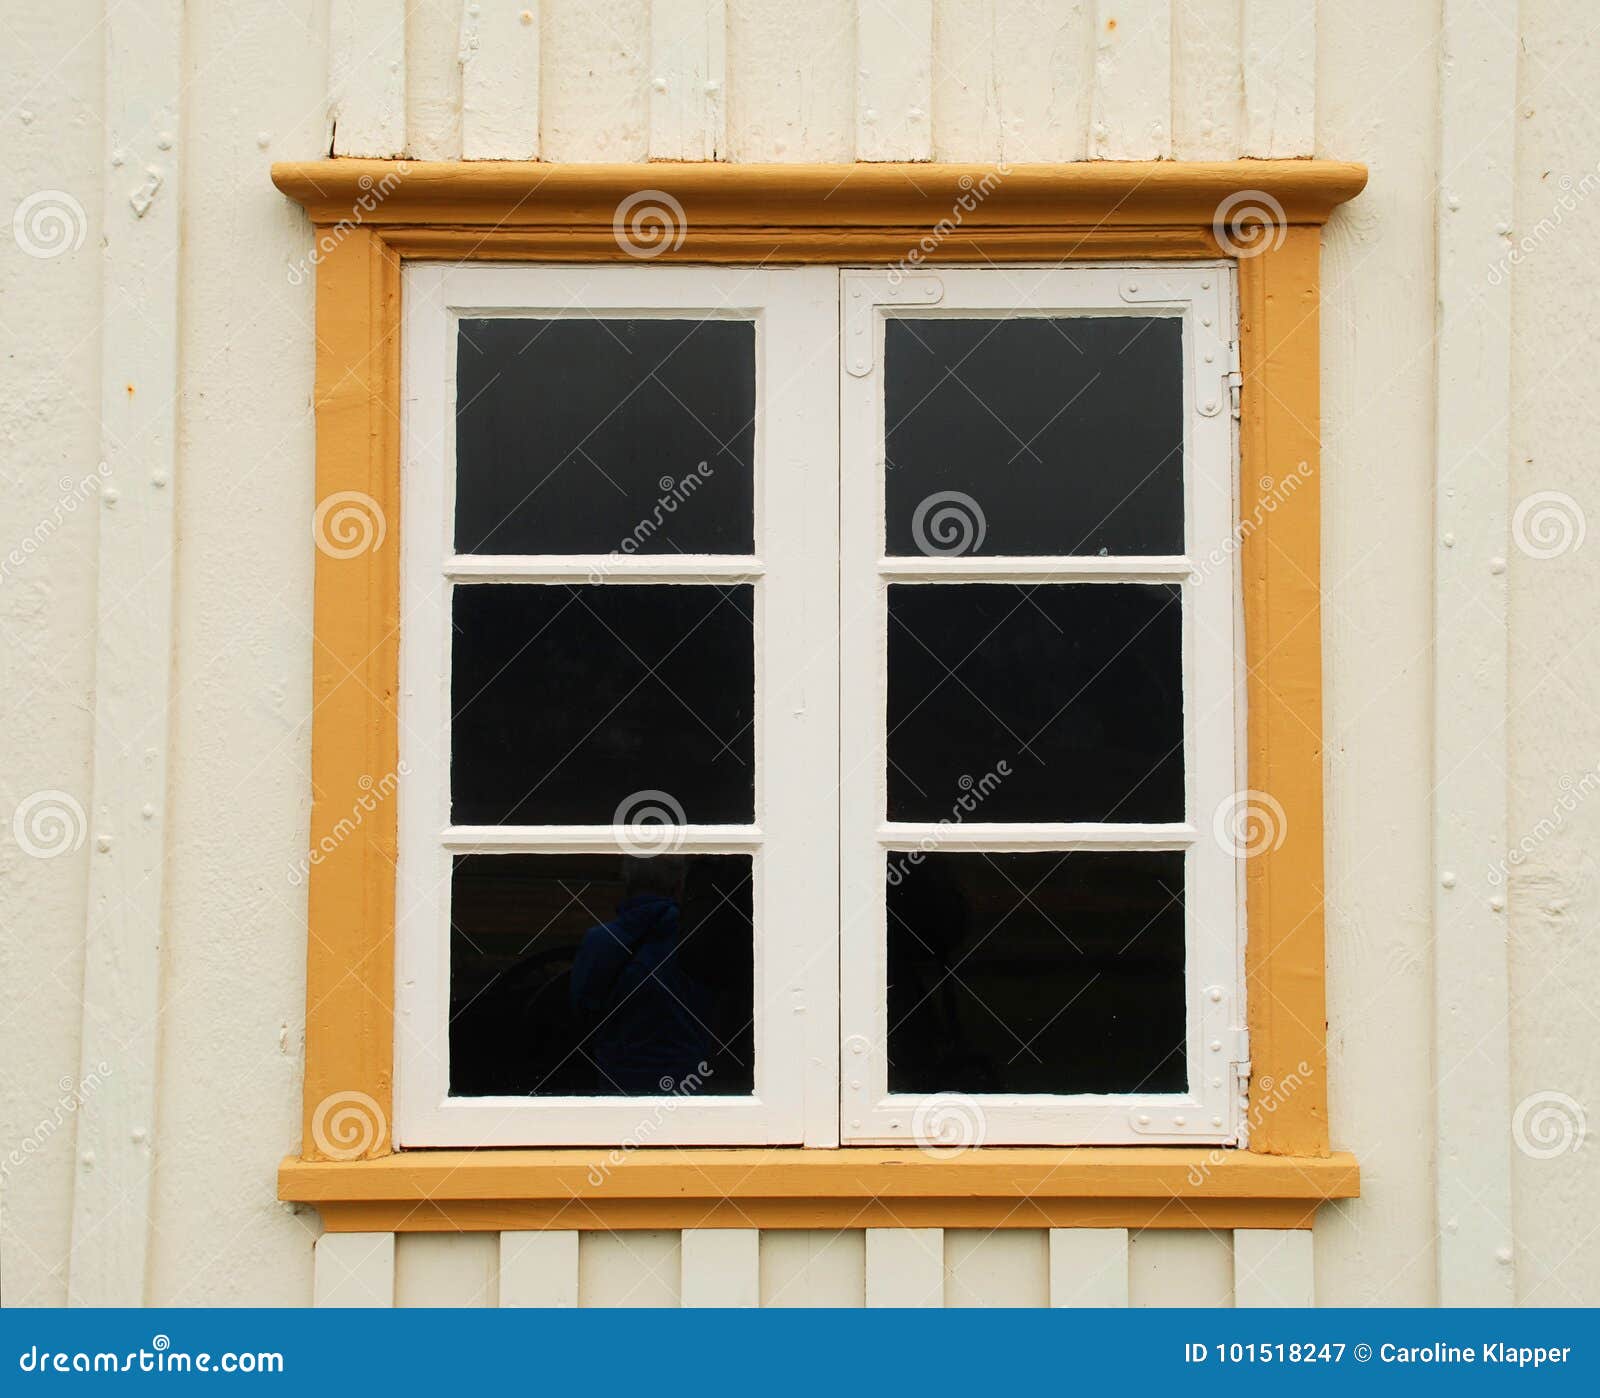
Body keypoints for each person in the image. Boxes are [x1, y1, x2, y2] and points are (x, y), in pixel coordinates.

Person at [569, 854, 710, 1093]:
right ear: (679, 885)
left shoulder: (600, 941)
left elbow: (582, 1008)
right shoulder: (697, 942)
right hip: (688, 1078)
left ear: (627, 881)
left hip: (619, 1078)